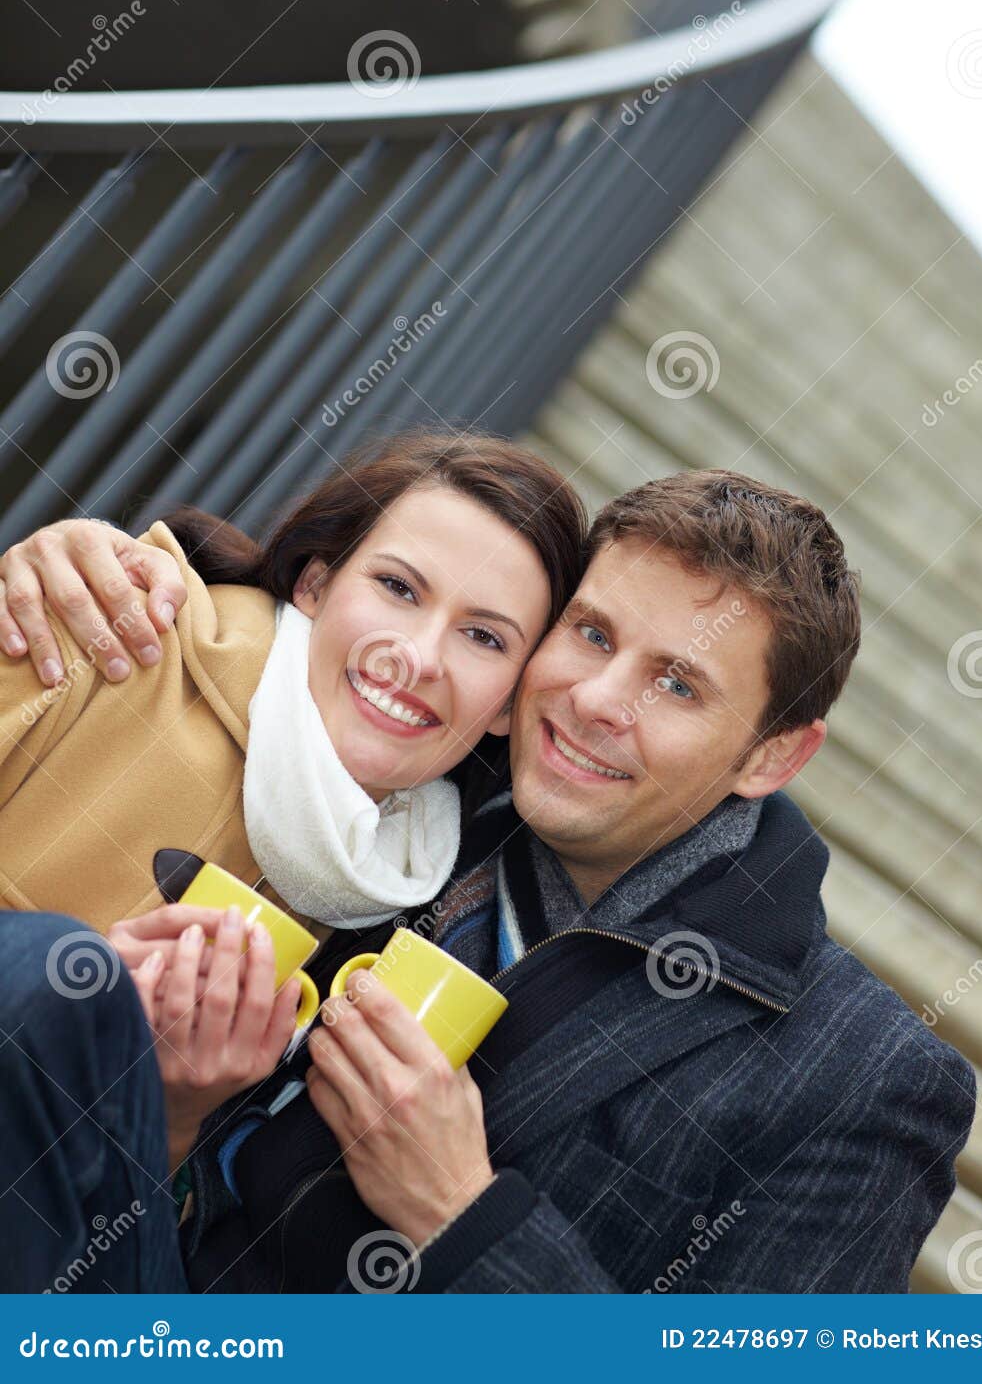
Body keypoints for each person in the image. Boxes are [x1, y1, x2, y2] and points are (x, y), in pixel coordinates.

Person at [0, 466, 975, 1294]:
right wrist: (106, 563)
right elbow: (302, 625)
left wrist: (460, 1213)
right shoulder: (418, 788)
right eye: (591, 634)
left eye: (675, 684)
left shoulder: (866, 1079)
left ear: (771, 756)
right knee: (54, 988)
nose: (593, 702)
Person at [0, 430, 586, 1288]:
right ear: (315, 582)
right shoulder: (104, 628)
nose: (416, 657)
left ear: (509, 706)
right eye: (395, 588)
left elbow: (117, 1225)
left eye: (484, 638)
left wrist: (172, 1110)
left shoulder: (417, 910)